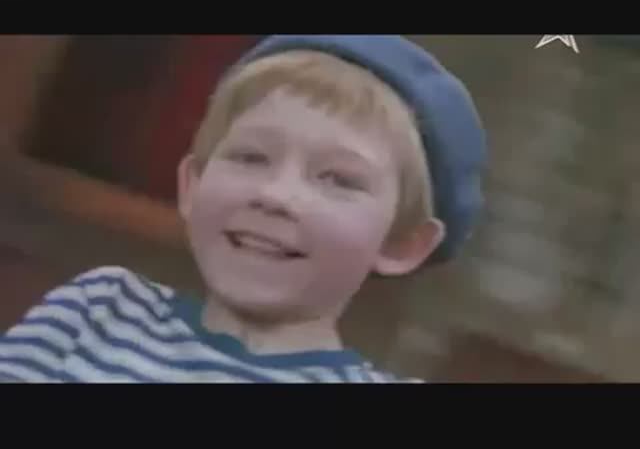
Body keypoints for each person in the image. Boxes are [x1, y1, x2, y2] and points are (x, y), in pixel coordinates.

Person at [0, 35, 486, 383]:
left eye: (338, 179)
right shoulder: (101, 310)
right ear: (192, 186)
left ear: (401, 244)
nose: (275, 195)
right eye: (251, 157)